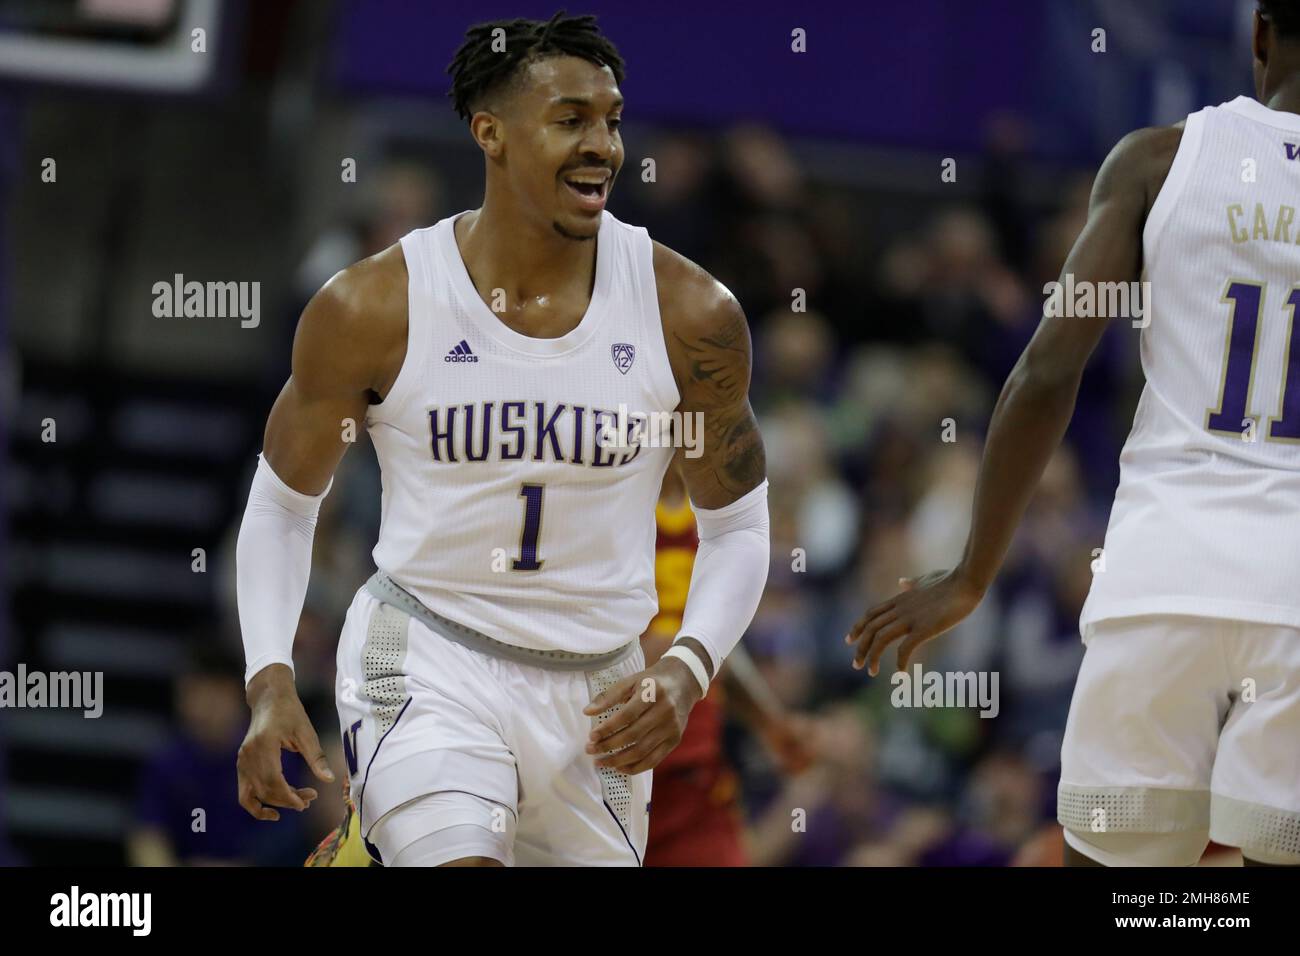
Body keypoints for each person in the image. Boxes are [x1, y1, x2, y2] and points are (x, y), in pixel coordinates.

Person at [234, 12, 769, 867]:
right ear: (491, 133)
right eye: (570, 120)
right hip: (429, 655)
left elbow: (737, 528)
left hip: (602, 688)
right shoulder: (373, 306)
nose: (602, 145)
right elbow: (283, 505)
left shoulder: (691, 313)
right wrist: (268, 677)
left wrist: (689, 666)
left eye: (612, 120)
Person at [848, 1, 1300, 867]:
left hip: (1164, 575)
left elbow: (1047, 372)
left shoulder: (1158, 162)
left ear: (1260, 35)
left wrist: (973, 572)